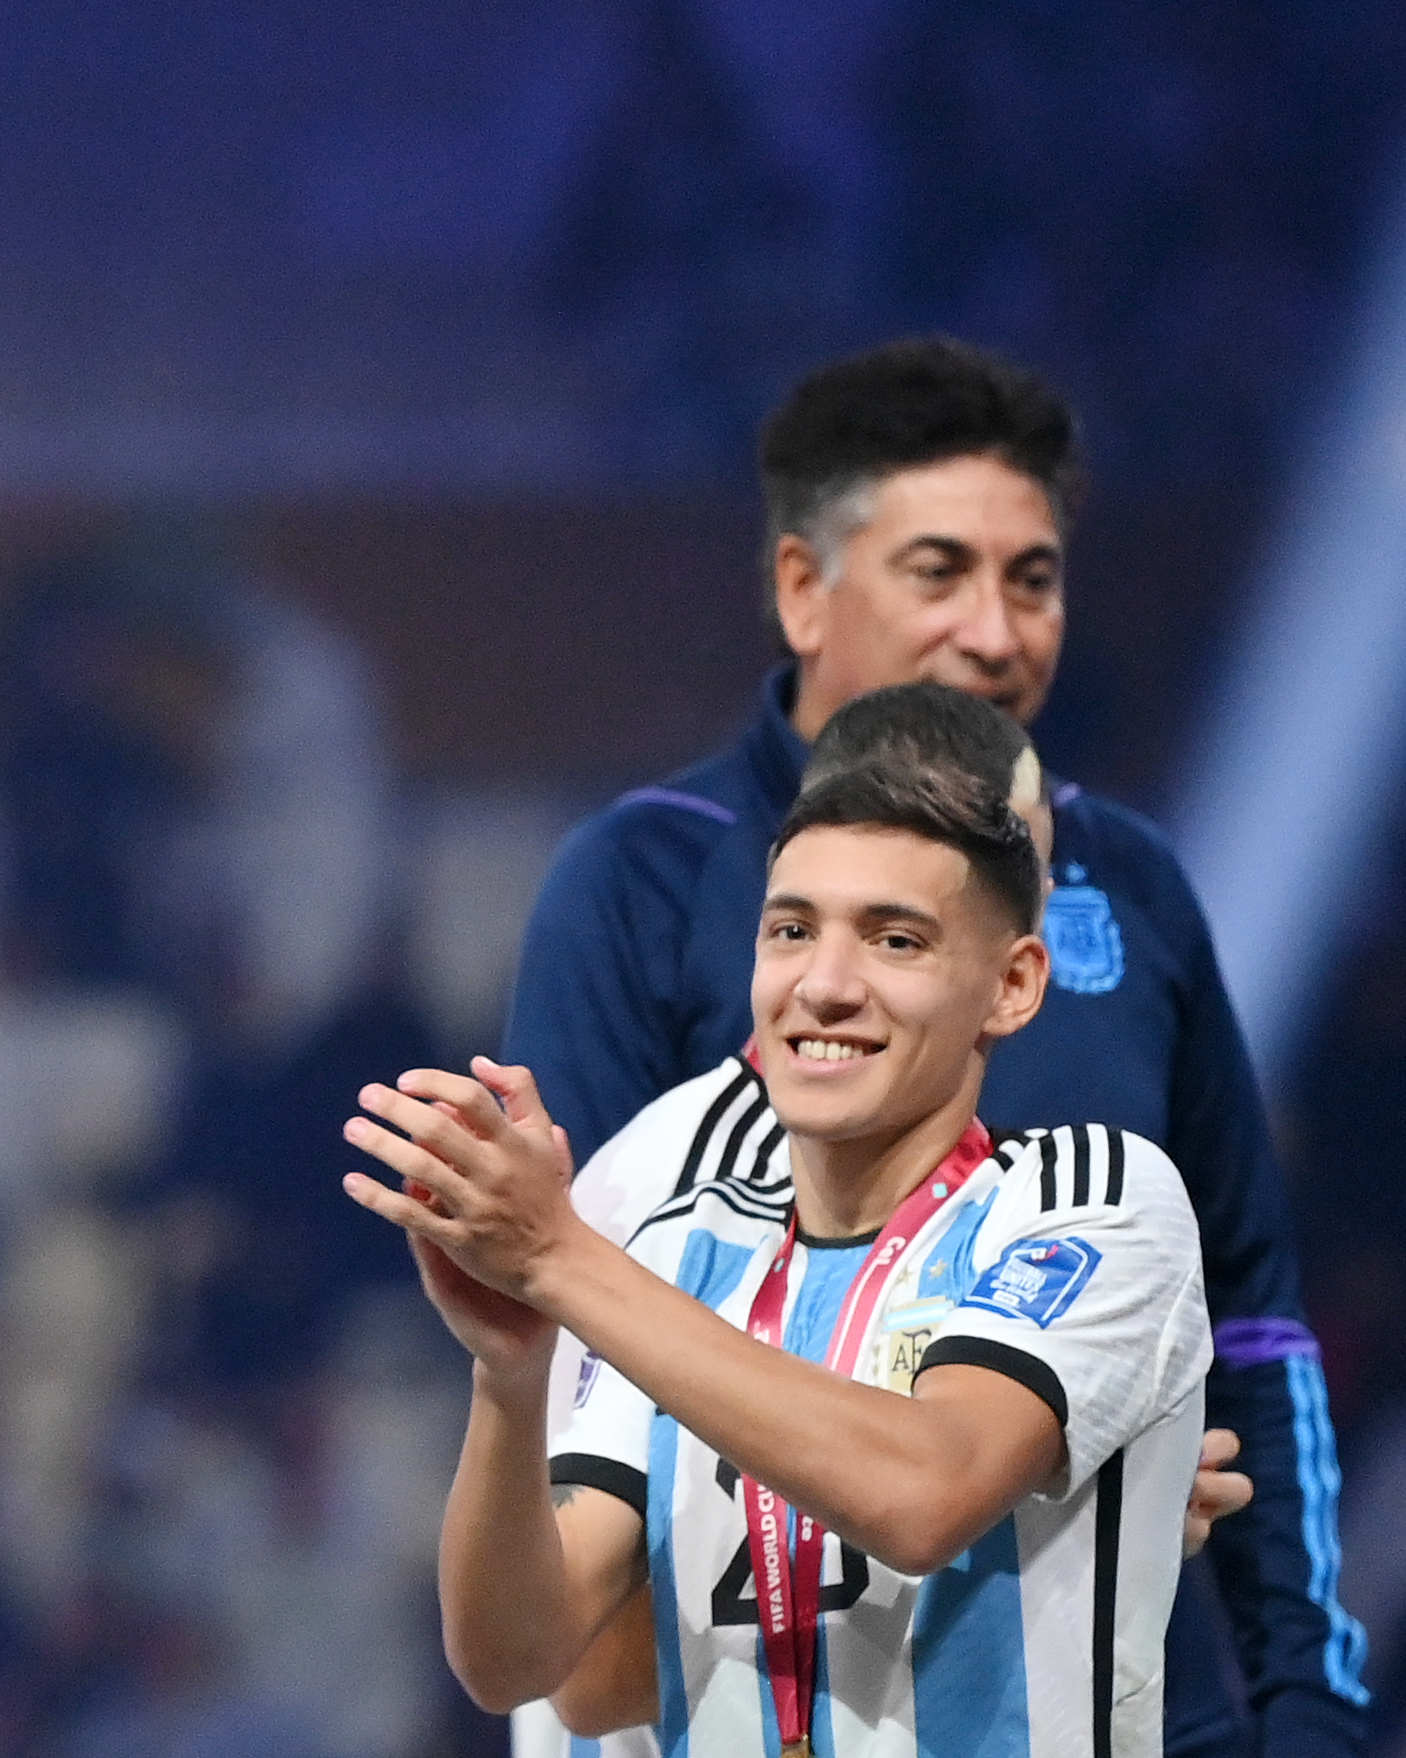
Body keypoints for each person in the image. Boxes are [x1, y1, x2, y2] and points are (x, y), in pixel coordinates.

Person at [500, 337, 1361, 1758]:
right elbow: (573, 1325)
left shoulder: (1128, 879)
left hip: (1110, 1676)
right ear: (799, 587)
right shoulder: (640, 881)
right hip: (705, 1685)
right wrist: (1024, 1467)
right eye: (936, 570)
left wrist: (1308, 1697)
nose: (993, 630)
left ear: (1014, 975)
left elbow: (1252, 1321)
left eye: (1030, 578)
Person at [369, 687, 1211, 1757]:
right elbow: (521, 1666)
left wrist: (557, 1259)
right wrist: (507, 1376)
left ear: (1011, 984)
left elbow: (919, 1492)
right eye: (791, 930)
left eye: (893, 940)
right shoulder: (673, 1248)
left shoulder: (1091, 1194)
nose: (824, 984)